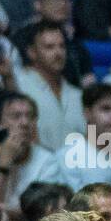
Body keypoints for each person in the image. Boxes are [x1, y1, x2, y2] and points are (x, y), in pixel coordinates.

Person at [0, 91, 61, 214]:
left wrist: (3, 209)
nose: (25, 123)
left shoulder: (47, 159)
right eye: (16, 116)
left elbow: (45, 213)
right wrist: (4, 164)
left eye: (30, 116)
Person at [15, 21, 84, 152]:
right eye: (49, 47)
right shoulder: (19, 86)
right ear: (31, 52)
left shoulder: (78, 95)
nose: (58, 53)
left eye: (62, 46)